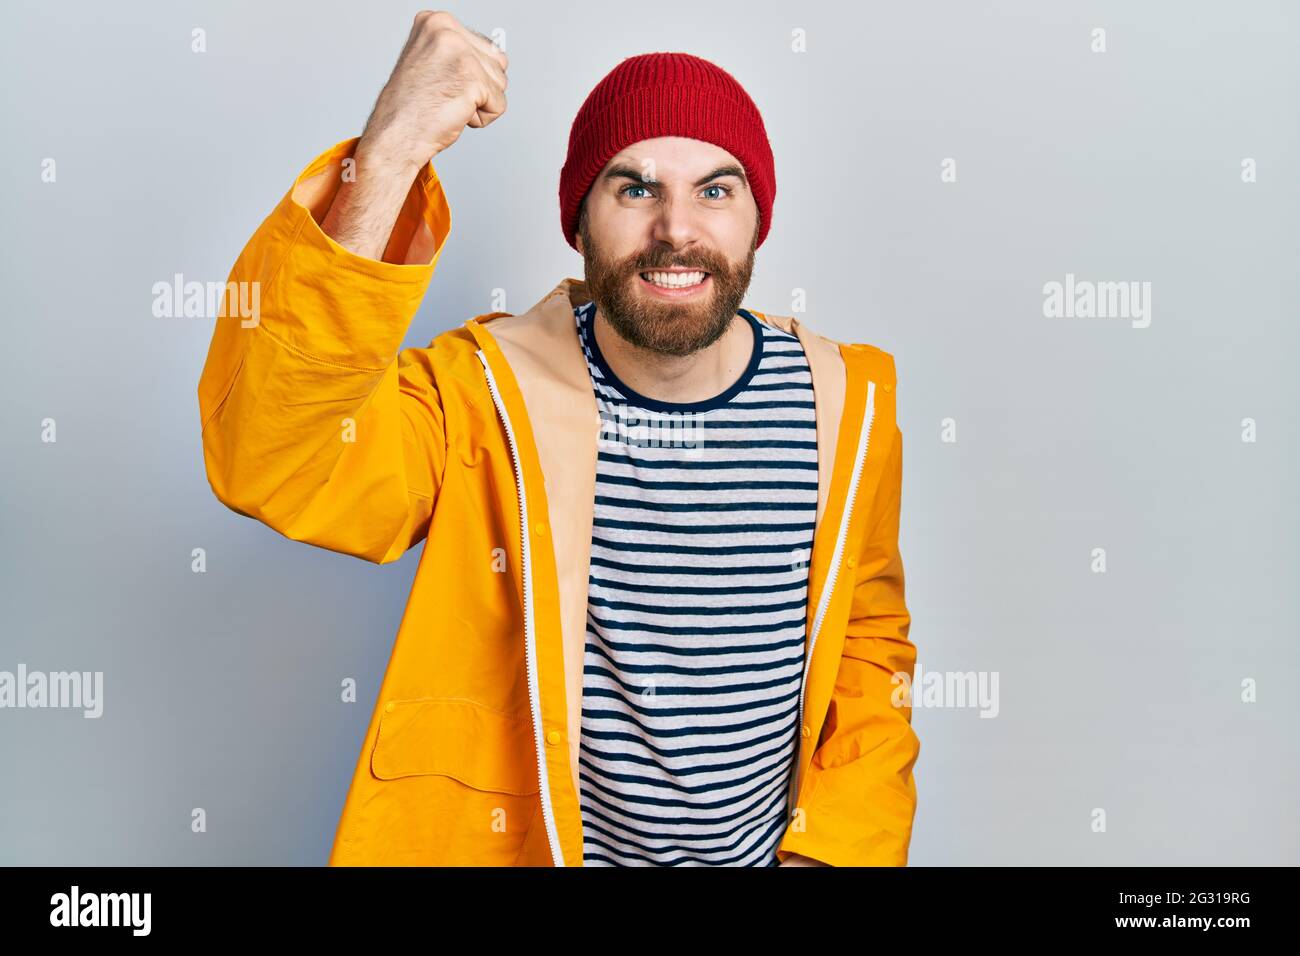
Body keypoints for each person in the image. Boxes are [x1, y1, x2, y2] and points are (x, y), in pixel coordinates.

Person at [197, 10, 919, 867]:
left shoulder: (848, 401)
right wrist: (387, 151)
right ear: (577, 223)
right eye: (634, 187)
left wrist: (832, 850)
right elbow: (276, 461)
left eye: (716, 190)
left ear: (760, 219)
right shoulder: (481, 396)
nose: (676, 230)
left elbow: (869, 645)